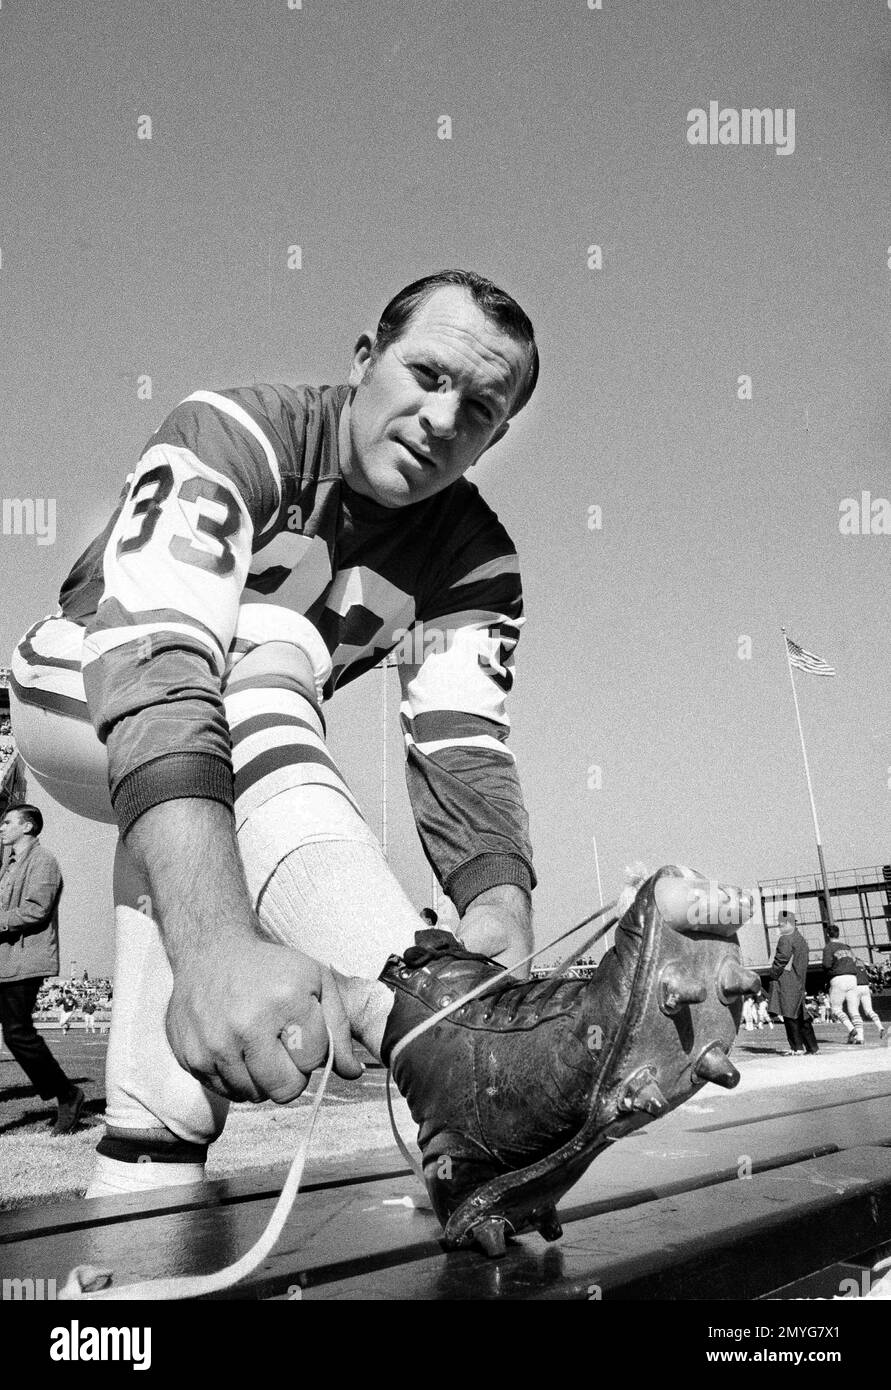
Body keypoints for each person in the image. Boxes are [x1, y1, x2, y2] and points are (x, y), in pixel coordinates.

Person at [9, 270, 754, 1250]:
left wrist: (500, 913)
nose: (444, 415)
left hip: (209, 770)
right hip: (88, 686)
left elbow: (461, 746)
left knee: (163, 1086)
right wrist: (223, 941)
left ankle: (140, 1230)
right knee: (264, 645)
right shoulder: (241, 427)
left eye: (480, 408)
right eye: (427, 373)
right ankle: (440, 1028)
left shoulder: (475, 555)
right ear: (365, 360)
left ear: (498, 437)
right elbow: (157, 661)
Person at [0, 804, 85, 1133]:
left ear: (28, 826)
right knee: (17, 1035)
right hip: (6, 962)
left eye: (7, 822)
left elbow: (36, 911)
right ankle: (65, 1094)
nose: (2, 828)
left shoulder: (43, 860)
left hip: (25, 963)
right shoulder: (9, 866)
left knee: (18, 1035)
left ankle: (68, 1095)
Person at [766, 910, 818, 1055]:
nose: (780, 928)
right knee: (802, 1015)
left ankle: (797, 1047)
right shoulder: (801, 939)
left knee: (790, 1015)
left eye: (781, 925)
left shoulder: (785, 939)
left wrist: (773, 974)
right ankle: (812, 1047)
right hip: (799, 981)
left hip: (787, 981)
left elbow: (781, 959)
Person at [821, 924, 859, 1042]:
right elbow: (854, 961)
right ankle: (859, 1036)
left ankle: (851, 1028)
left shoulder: (829, 947)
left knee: (836, 1009)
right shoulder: (847, 947)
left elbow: (826, 965)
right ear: (839, 934)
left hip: (838, 978)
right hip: (853, 978)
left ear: (828, 935)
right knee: (854, 1010)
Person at [847, 957, 885, 1045]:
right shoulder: (861, 964)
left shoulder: (848, 964)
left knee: (854, 1012)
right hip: (866, 987)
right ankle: (880, 1027)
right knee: (869, 1010)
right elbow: (872, 967)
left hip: (855, 987)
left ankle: (860, 1037)